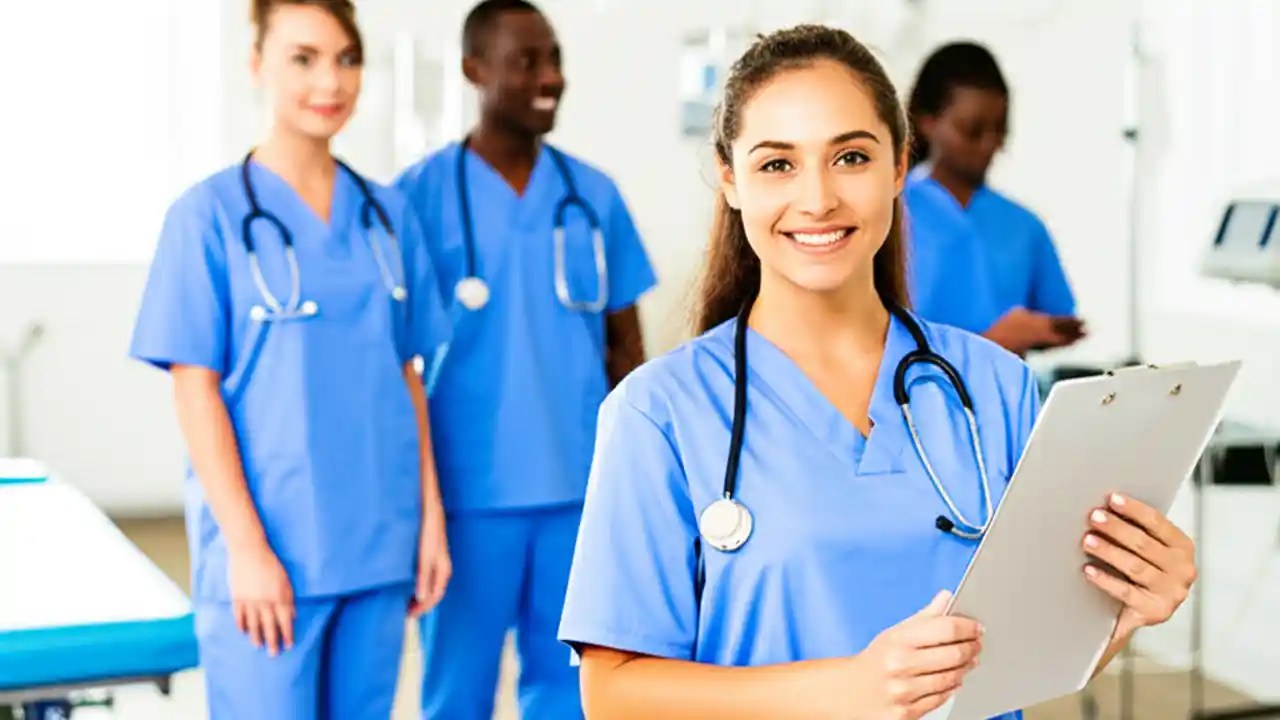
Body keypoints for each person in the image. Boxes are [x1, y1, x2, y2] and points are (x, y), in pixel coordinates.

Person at [557, 25, 1197, 719]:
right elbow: (613, 692)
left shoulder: (994, 387)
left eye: (851, 157)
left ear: (898, 166)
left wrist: (1127, 612)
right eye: (777, 164)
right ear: (730, 177)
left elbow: (1022, 658)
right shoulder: (660, 412)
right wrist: (851, 690)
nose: (818, 198)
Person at [128, 1, 452, 717]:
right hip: (272, 555)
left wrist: (429, 520)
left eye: (346, 57)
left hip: (376, 546)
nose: (329, 80)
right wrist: (246, 549)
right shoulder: (206, 217)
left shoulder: (388, 215)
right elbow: (195, 391)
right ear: (257, 65)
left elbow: (408, 375)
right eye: (303, 58)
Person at [394, 1, 656, 717]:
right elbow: (393, 362)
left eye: (555, 58)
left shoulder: (591, 196)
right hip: (466, 494)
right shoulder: (414, 199)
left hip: (579, 490)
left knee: (569, 686)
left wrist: (638, 479)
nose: (550, 77)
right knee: (457, 689)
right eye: (527, 61)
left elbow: (626, 348)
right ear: (474, 70)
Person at [903, 41, 1085, 356]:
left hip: (1006, 401)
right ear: (927, 122)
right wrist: (994, 342)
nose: (989, 145)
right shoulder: (889, 215)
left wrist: (1039, 331)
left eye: (1000, 130)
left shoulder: (1024, 226)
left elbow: (1058, 317)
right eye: (972, 130)